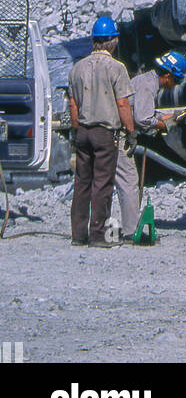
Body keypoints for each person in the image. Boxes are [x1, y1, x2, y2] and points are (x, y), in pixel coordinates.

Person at [68, 16, 136, 249]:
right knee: (102, 184)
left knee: (82, 183)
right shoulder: (117, 68)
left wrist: (77, 132)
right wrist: (131, 131)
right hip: (105, 133)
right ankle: (98, 235)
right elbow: (123, 104)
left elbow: (73, 105)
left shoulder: (77, 68)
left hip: (83, 132)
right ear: (112, 42)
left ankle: (78, 235)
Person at [113, 51, 186, 242]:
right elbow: (142, 118)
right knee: (129, 182)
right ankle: (130, 233)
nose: (175, 86)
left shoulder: (145, 80)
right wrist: (165, 125)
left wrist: (166, 116)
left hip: (112, 131)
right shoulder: (149, 86)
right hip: (119, 134)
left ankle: (97, 229)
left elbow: (143, 111)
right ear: (168, 76)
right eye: (176, 81)